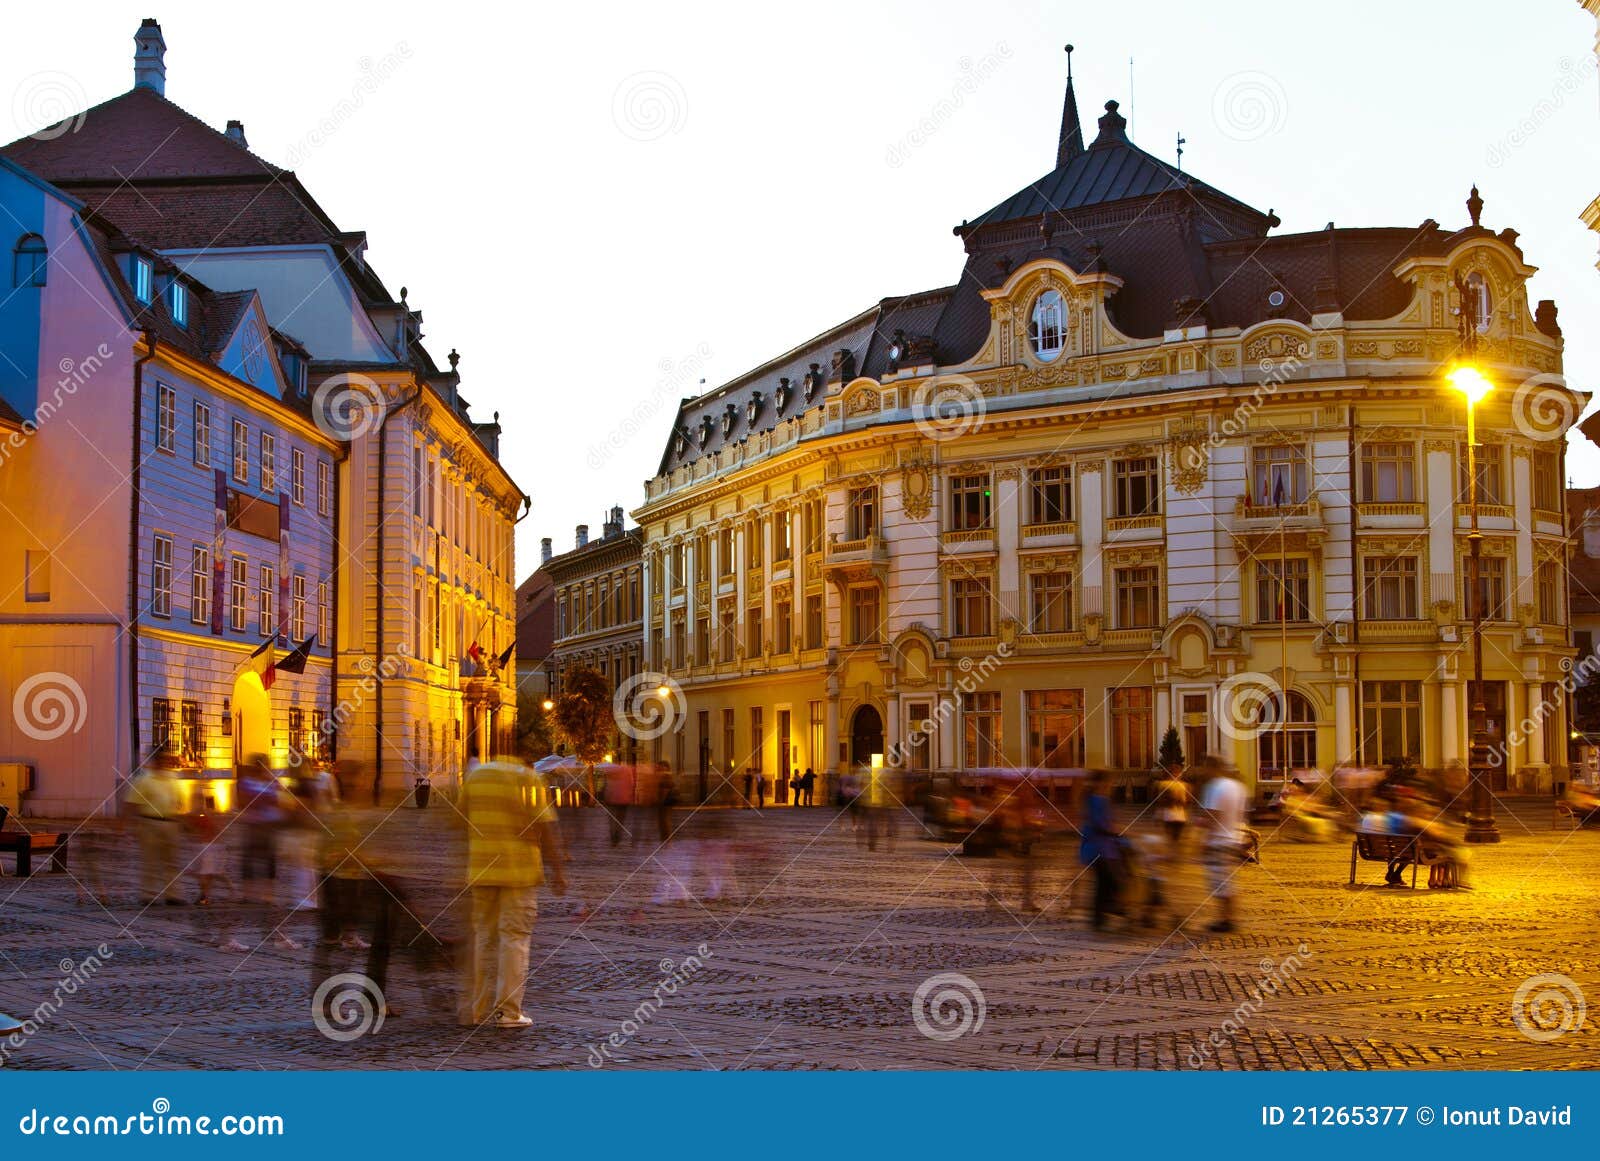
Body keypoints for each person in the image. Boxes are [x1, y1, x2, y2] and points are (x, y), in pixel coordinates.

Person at [459, 756, 566, 1028]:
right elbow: (545, 827)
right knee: (514, 939)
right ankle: (508, 1013)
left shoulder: (475, 777)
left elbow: (460, 819)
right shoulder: (528, 778)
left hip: (482, 869)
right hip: (519, 872)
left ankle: (476, 1010)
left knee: (484, 937)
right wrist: (558, 871)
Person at [125, 748, 183, 906]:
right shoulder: (144, 779)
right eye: (164, 759)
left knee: (172, 861)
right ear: (156, 761)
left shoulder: (173, 778)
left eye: (168, 760)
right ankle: (148, 895)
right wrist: (130, 825)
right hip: (149, 822)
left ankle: (173, 895)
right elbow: (131, 803)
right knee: (150, 860)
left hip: (170, 823)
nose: (168, 762)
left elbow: (179, 802)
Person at [1197, 759, 1249, 932]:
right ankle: (1229, 917)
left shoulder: (1215, 787)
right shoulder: (1238, 787)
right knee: (1228, 881)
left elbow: (1213, 816)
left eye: (1206, 768)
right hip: (1233, 838)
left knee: (1219, 882)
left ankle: (1226, 919)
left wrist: (1203, 838)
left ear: (1213, 768)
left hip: (1218, 841)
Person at [1078, 770, 1122, 930]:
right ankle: (1102, 915)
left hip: (1094, 848)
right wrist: (1114, 834)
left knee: (1103, 882)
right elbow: (1102, 824)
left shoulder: (1090, 799)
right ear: (1101, 783)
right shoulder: (1099, 800)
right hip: (1100, 849)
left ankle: (1099, 917)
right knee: (1108, 881)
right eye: (1108, 782)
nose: (1110, 785)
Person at [1155, 769, 1189, 848]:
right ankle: (1172, 850)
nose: (1177, 775)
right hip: (1170, 814)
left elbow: (1185, 801)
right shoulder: (1164, 785)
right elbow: (1160, 800)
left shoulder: (1182, 785)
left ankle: (1172, 850)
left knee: (1174, 837)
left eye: (1178, 773)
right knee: (1172, 837)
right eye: (1175, 773)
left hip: (1179, 815)